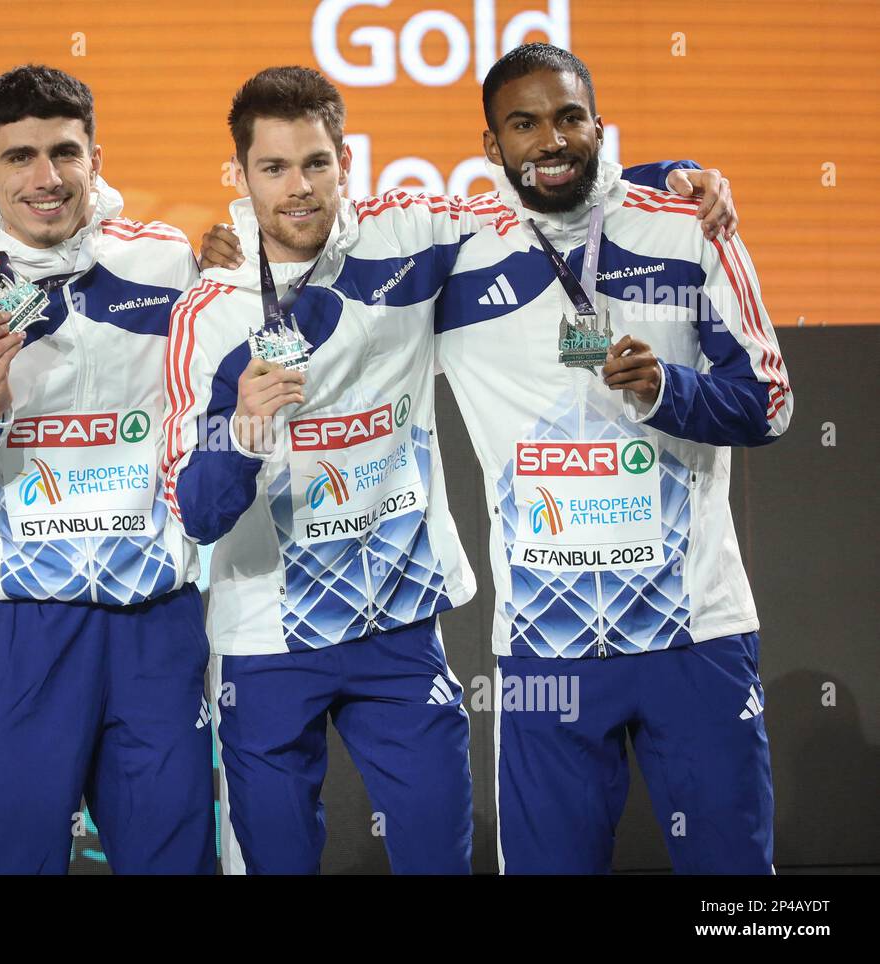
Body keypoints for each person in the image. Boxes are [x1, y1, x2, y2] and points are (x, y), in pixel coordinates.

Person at [168, 66, 735, 875]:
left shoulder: (410, 236)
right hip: (264, 638)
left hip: (400, 629)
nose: (299, 189)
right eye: (274, 168)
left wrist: (676, 178)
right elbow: (196, 515)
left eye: (317, 164)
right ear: (241, 176)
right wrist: (244, 431)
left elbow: (548, 184)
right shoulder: (210, 306)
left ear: (345, 162)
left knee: (440, 856)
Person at [434, 43, 790, 873]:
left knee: (737, 889)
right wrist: (231, 240)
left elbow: (772, 404)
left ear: (600, 126)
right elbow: (317, 223)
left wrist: (670, 389)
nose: (550, 140)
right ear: (491, 148)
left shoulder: (689, 224)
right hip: (542, 650)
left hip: (696, 630)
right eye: (523, 124)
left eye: (568, 117)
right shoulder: (454, 251)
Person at [0, 65, 214, 874]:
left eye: (65, 152)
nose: (47, 178)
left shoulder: (169, 262)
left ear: (96, 157)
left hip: (157, 618)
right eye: (20, 156)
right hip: (21, 627)